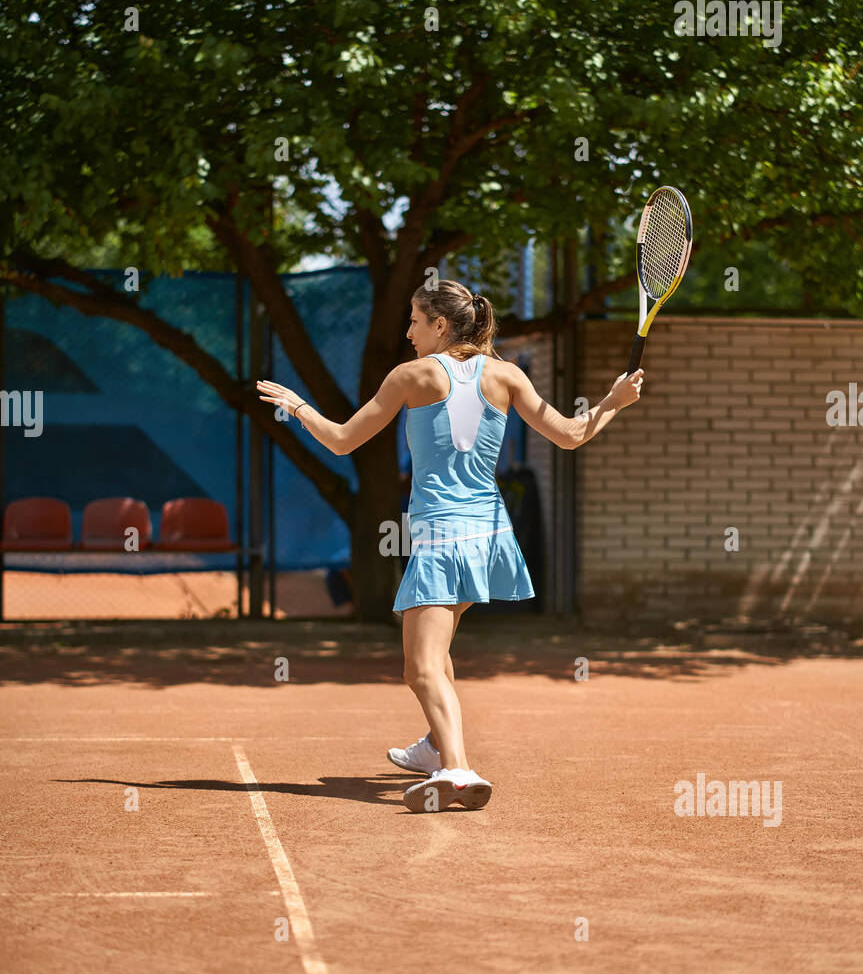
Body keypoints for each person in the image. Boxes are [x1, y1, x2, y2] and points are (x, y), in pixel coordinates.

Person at [257, 278, 643, 813]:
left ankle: (458, 769)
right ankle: (435, 746)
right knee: (438, 656)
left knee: (420, 669)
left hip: (441, 538)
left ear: (440, 325)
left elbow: (343, 440)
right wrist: (615, 400)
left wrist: (298, 406)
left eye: (415, 321)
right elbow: (572, 434)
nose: (408, 331)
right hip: (489, 534)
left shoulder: (412, 376)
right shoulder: (506, 375)